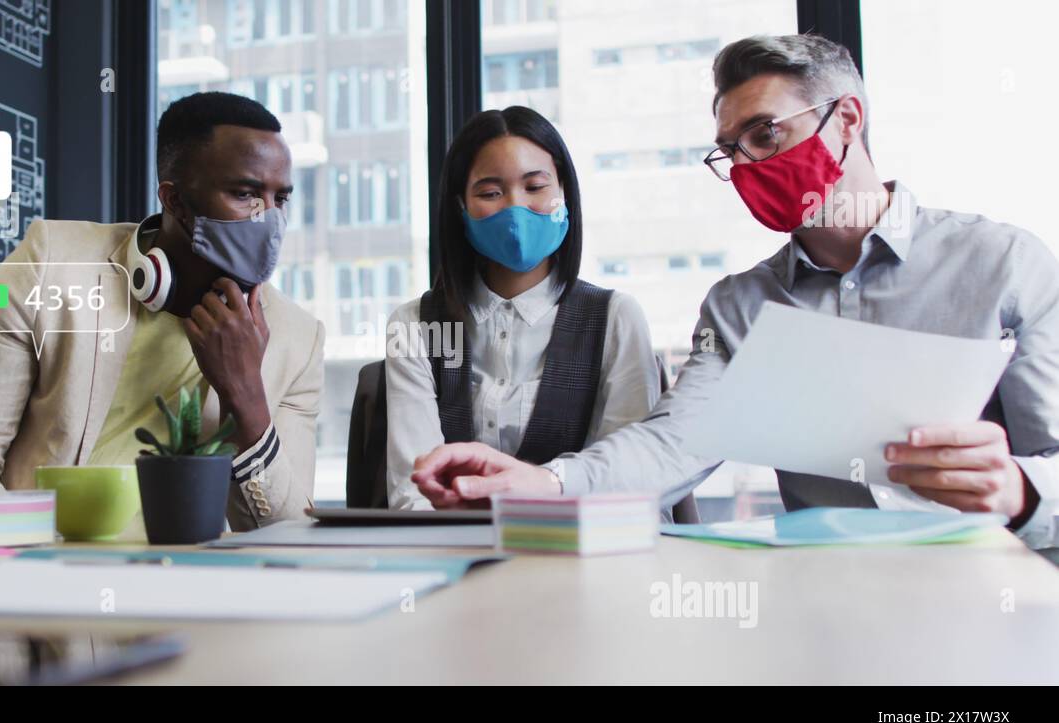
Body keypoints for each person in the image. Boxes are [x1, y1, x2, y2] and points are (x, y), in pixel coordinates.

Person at [411, 34, 1059, 549]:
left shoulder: (1003, 265)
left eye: (765, 134)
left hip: (983, 594)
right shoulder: (741, 307)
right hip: (824, 613)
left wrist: (1020, 488)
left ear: (847, 120)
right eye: (731, 150)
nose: (747, 165)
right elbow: (672, 444)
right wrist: (545, 480)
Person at [0, 92, 324, 532]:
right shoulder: (48, 263)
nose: (267, 219)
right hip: (37, 570)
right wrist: (25, 561)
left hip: (200, 590)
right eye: (245, 193)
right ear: (173, 201)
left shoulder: (298, 339)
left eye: (279, 199)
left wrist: (246, 399)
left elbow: (288, 533)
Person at [384, 106, 658, 509]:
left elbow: (628, 480)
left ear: (564, 193)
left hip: (581, 557)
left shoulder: (614, 319)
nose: (515, 209)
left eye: (535, 187)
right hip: (452, 555)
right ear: (460, 206)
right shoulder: (414, 326)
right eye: (491, 193)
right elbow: (411, 493)